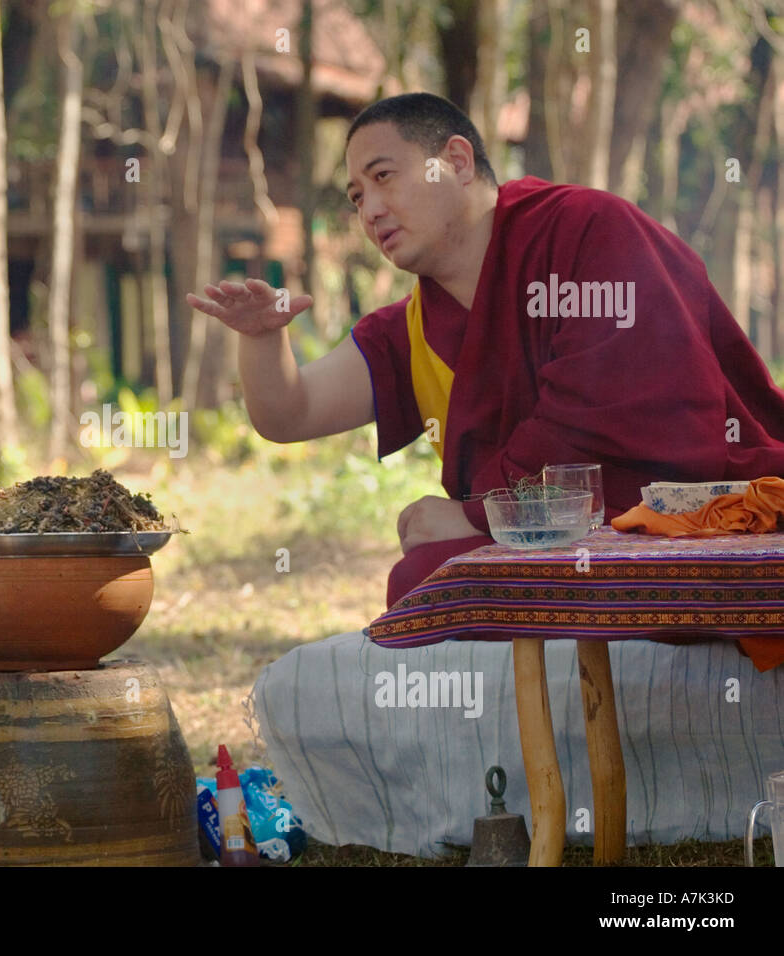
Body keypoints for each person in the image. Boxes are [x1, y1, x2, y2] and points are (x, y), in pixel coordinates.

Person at [188, 92, 784, 855]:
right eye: (356, 195)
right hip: (557, 551)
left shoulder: (587, 229)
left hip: (675, 516)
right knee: (426, 574)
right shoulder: (414, 326)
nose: (370, 209)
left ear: (457, 161)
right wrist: (262, 341)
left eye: (384, 176)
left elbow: (624, 392)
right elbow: (290, 413)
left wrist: (476, 515)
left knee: (450, 561)